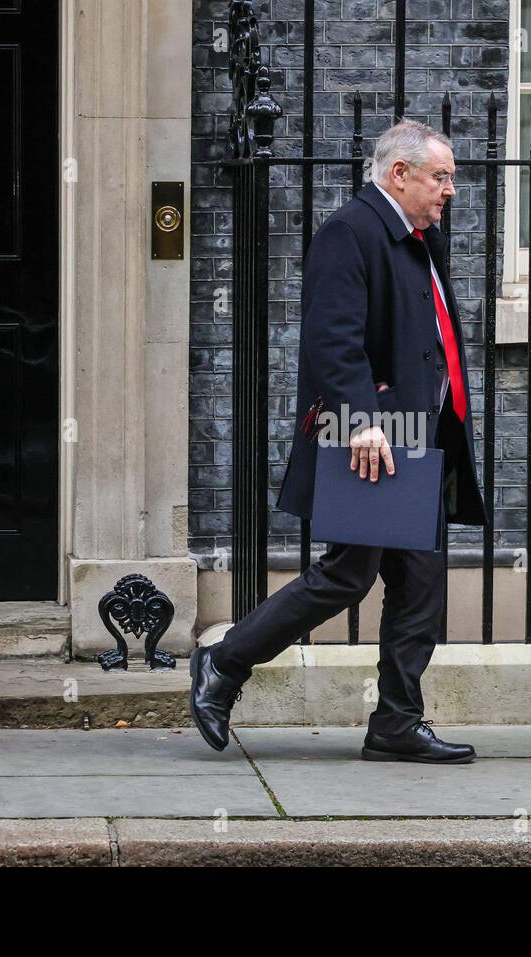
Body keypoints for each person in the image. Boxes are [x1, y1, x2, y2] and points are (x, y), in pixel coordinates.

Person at [189, 120, 487, 763]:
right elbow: (332, 340)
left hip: (422, 437)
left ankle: (396, 723)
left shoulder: (417, 237)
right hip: (377, 437)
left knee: (421, 583)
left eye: (452, 179)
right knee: (349, 574)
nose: (449, 192)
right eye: (441, 177)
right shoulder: (350, 232)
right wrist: (363, 422)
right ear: (398, 174)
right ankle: (223, 662)